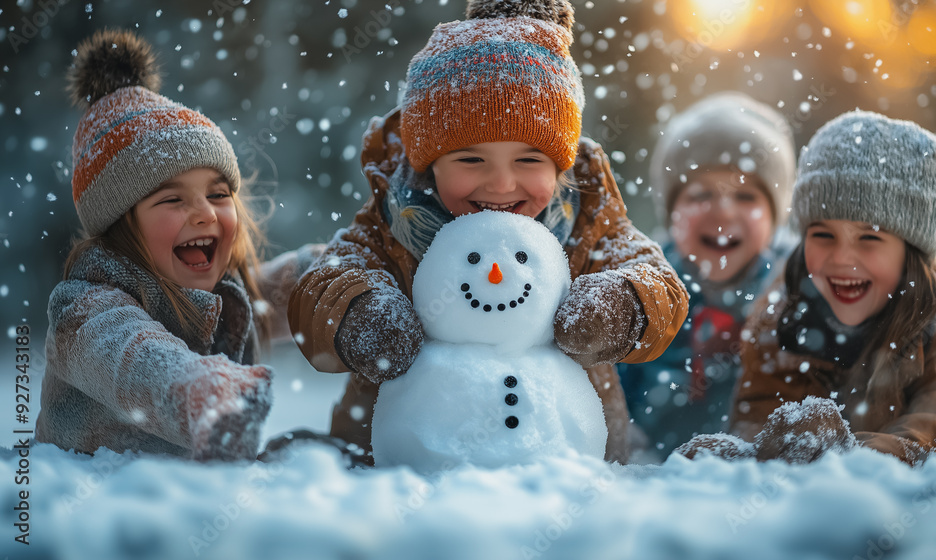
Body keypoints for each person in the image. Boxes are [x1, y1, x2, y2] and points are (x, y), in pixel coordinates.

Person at [287, 0, 690, 466]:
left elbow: (656, 280)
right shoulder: (394, 219)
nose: (501, 184)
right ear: (429, 164)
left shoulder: (587, 216)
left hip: (569, 466)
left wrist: (620, 306)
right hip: (398, 470)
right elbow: (324, 284)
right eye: (471, 160)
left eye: (529, 160)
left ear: (560, 164)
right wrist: (362, 315)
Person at [36, 29, 322, 461]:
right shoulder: (84, 312)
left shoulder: (224, 296)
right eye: (172, 199)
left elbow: (283, 289)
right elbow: (133, 358)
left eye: (218, 194)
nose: (205, 213)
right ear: (120, 227)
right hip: (93, 507)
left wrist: (341, 274)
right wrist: (201, 392)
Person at [684, 110, 936, 465]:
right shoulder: (783, 321)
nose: (842, 258)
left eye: (869, 237)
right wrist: (738, 454)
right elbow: (759, 423)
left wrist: (837, 455)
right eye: (823, 235)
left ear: (911, 250)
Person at [619, 92, 797, 461]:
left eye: (746, 196)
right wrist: (626, 440)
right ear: (671, 213)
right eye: (701, 194)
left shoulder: (796, 284)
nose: (722, 211)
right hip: (652, 477)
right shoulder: (643, 286)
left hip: (760, 479)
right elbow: (611, 383)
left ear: (775, 217)